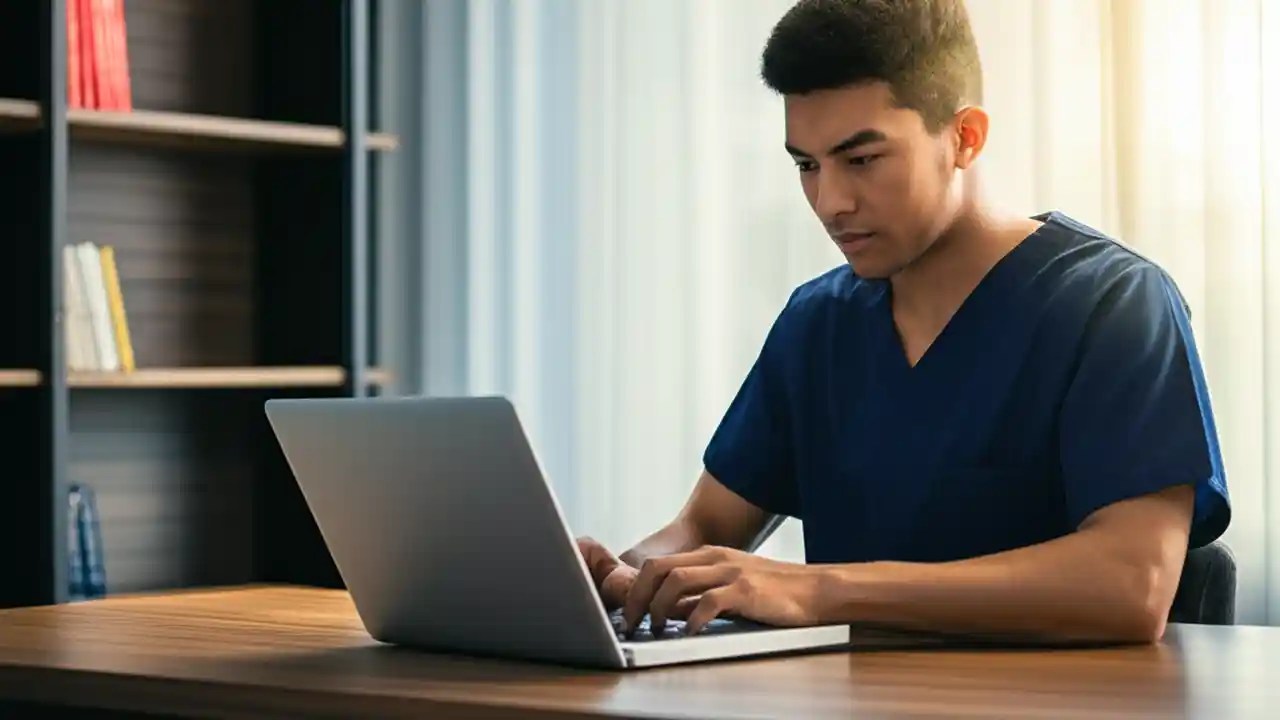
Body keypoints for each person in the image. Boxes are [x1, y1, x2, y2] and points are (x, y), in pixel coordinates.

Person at [577, 0, 1231, 644]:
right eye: (807, 165)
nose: (830, 202)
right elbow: (704, 529)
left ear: (965, 137)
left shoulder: (1115, 304)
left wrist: (820, 589)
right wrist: (618, 575)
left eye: (861, 160)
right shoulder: (818, 323)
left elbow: (1131, 585)